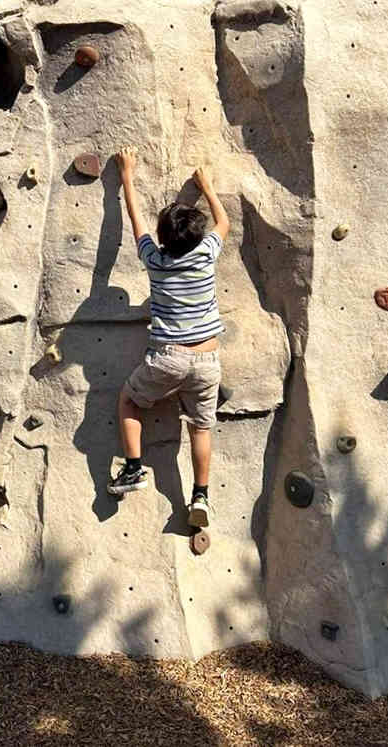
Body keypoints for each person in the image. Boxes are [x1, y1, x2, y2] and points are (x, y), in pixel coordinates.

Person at [107, 145, 230, 528]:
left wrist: (127, 176)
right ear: (198, 236)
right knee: (201, 426)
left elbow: (136, 222)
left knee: (129, 400)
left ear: (163, 240)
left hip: (169, 356)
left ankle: (132, 469)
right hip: (208, 359)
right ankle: (201, 496)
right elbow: (223, 222)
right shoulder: (206, 254)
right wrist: (206, 187)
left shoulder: (156, 262)